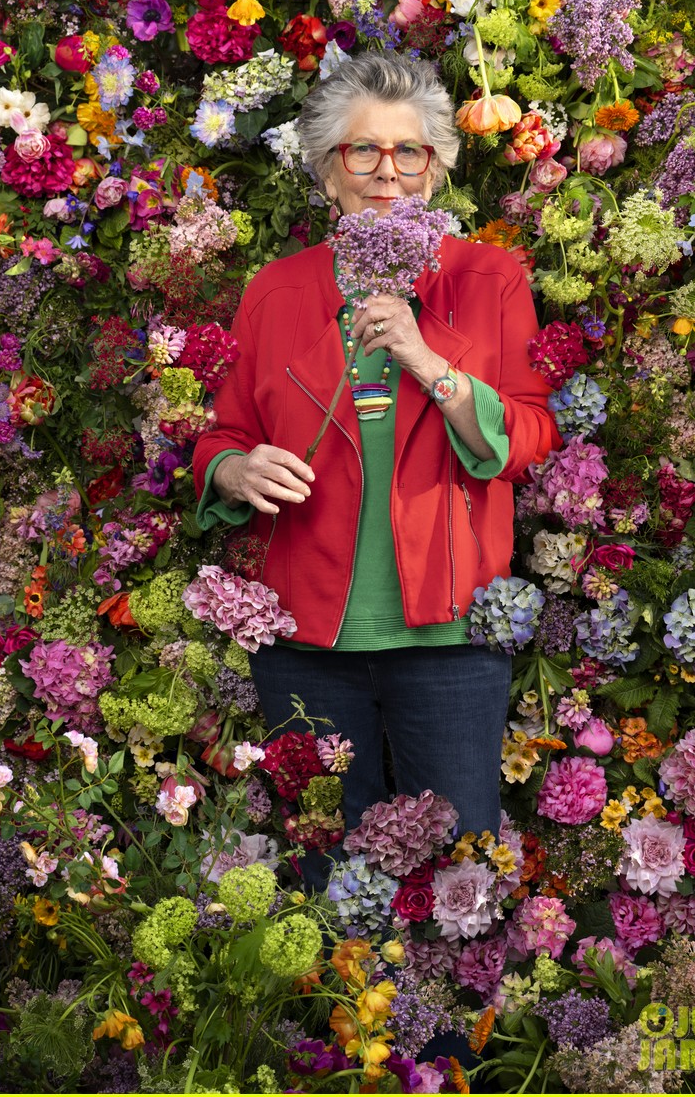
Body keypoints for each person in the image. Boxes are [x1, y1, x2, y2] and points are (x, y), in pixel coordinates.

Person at [193, 52, 560, 878]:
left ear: (436, 167)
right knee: (320, 867)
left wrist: (427, 360)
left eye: (409, 151)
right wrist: (234, 471)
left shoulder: (490, 278)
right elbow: (220, 435)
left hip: (452, 632)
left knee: (461, 868)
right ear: (329, 174)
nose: (385, 172)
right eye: (362, 151)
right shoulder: (277, 291)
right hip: (302, 639)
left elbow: (530, 435)